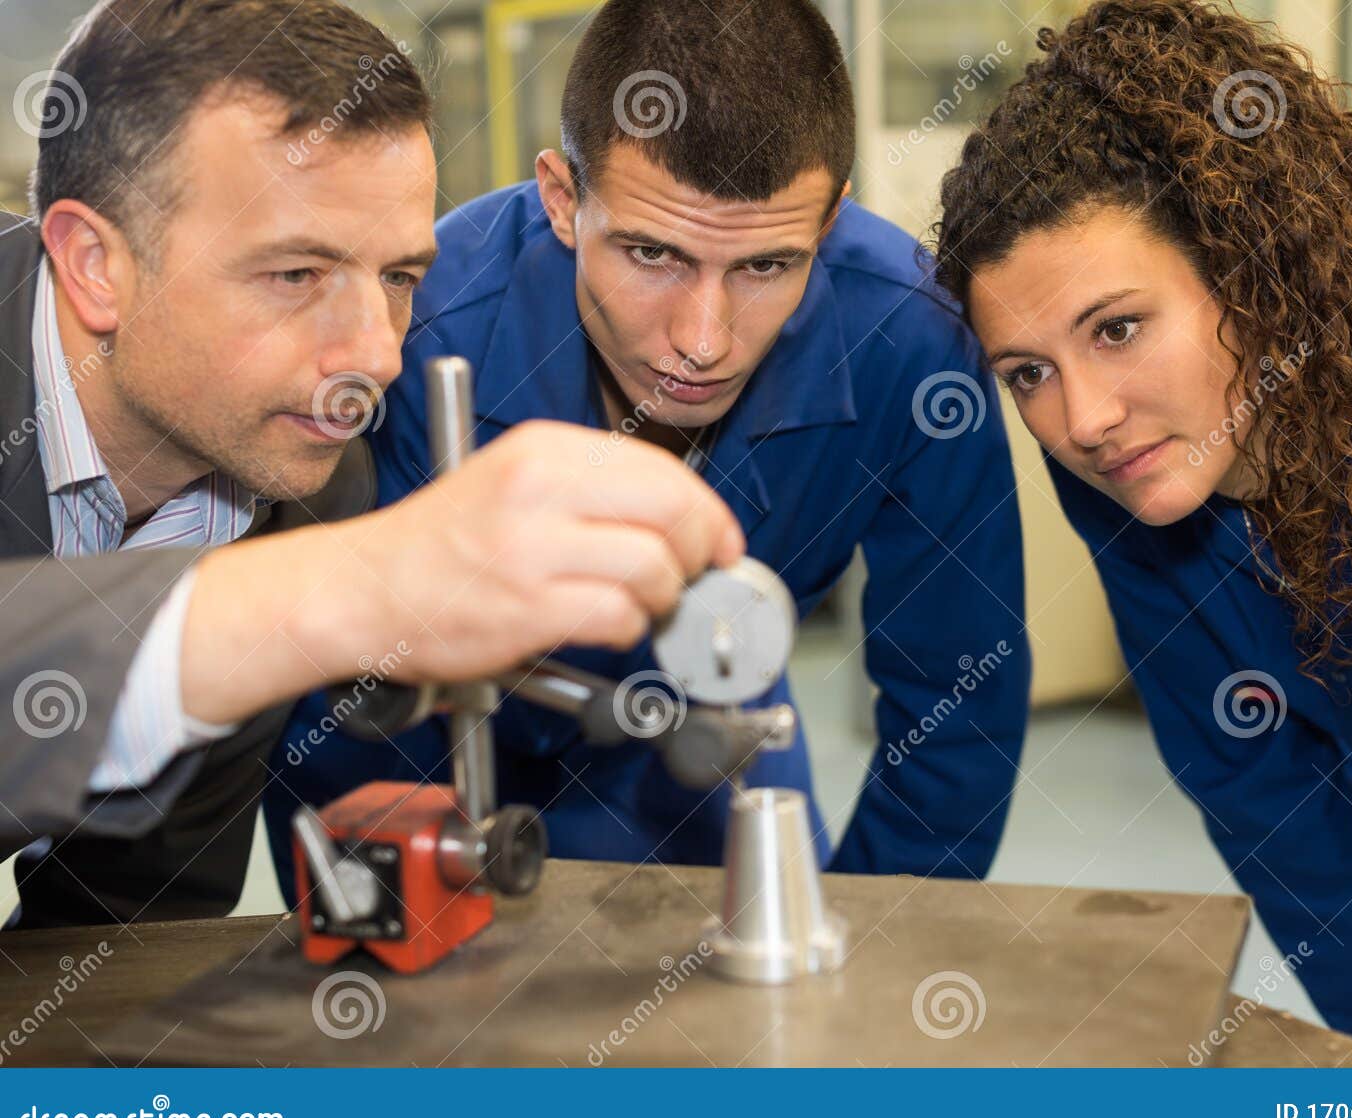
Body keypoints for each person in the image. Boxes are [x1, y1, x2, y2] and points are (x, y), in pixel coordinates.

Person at [933, 0, 1352, 1066]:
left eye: (1117, 328)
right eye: (1026, 373)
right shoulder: (1137, 466)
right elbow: (1261, 789)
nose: (1081, 420)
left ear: (1256, 270)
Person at [0, 0, 742, 928]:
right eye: (295, 276)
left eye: (397, 279)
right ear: (95, 265)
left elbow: (119, 919)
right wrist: (323, 596)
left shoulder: (304, 482)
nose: (378, 358)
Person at [268, 0, 1031, 886]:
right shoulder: (415, 330)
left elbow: (957, 690)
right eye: (652, 254)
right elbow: (325, 670)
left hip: (708, 754)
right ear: (563, 200)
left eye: (765, 265)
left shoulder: (909, 343)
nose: (703, 341)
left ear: (827, 226)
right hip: (416, 755)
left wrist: (877, 940)